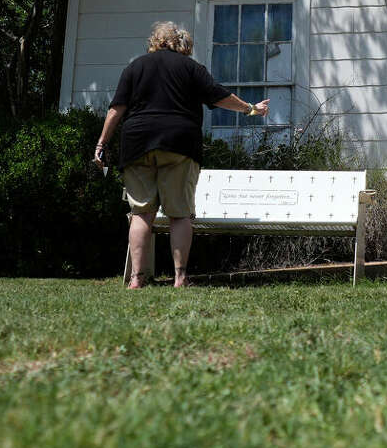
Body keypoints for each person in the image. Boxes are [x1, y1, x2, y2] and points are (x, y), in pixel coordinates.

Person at [93, 21, 267, 288]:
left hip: (137, 144)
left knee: (141, 213)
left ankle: (136, 280)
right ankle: (180, 278)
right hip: (179, 143)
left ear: (155, 41)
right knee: (180, 213)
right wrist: (250, 109)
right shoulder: (191, 68)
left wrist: (101, 144)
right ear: (182, 44)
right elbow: (219, 96)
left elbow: (116, 109)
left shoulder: (134, 67)